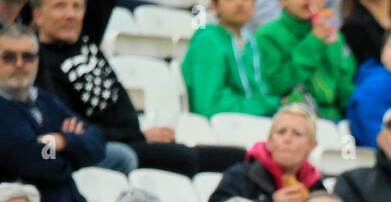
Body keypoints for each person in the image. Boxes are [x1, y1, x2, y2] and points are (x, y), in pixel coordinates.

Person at [33, 0, 244, 178]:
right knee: (186, 158)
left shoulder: (85, 39)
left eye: (77, 7)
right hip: (111, 148)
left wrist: (138, 135)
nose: (71, 15)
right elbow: (79, 130)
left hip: (133, 138)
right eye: (60, 6)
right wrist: (137, 137)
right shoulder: (40, 64)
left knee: (239, 157)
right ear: (38, 15)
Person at [0, 23, 102, 202]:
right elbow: (36, 162)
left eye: (27, 57)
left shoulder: (45, 101)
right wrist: (69, 155)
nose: (19, 64)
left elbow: (97, 142)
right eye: (9, 57)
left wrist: (63, 141)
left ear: (37, 60)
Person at [204, 104, 327, 202]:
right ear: (269, 141)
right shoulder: (241, 175)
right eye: (281, 132)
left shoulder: (316, 187)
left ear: (312, 146)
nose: (287, 139)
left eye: (297, 134)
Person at [255, 0, 357, 121]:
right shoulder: (268, 36)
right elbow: (278, 84)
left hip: (334, 118)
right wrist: (314, 42)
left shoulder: (333, 35)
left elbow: (346, 84)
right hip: (288, 117)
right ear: (282, 1)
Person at [182, 0, 280, 117]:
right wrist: (270, 105)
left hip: (252, 120)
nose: (240, 3)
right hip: (224, 129)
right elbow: (210, 106)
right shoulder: (208, 41)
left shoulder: (251, 43)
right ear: (214, 5)